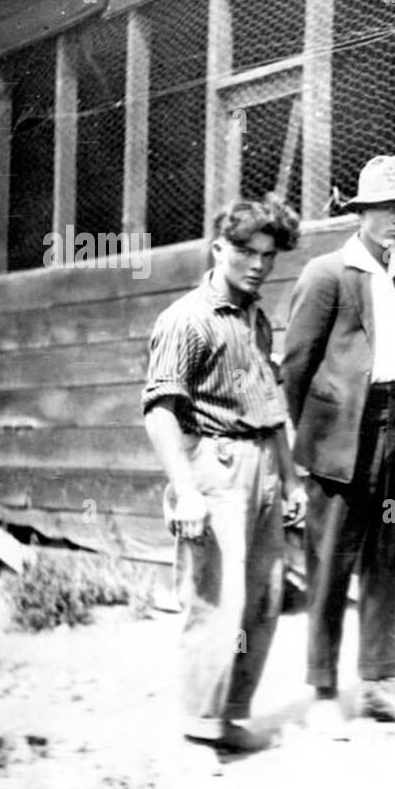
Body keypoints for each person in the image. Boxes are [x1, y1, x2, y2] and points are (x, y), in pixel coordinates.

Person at [142, 193, 307, 753]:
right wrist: (186, 493)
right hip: (215, 466)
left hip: (262, 462)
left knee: (263, 597)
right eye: (247, 252)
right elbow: (160, 413)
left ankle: (230, 716)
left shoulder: (257, 320)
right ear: (219, 248)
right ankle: (196, 730)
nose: (259, 264)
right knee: (216, 600)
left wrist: (289, 478)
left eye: (269, 255)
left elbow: (269, 402)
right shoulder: (186, 320)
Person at [280, 154, 395, 727]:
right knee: (329, 564)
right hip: (342, 436)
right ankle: (323, 691)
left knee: (391, 562)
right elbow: (295, 365)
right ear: (361, 213)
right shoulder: (327, 273)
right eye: (385, 209)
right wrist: (310, 441)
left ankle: (378, 683)